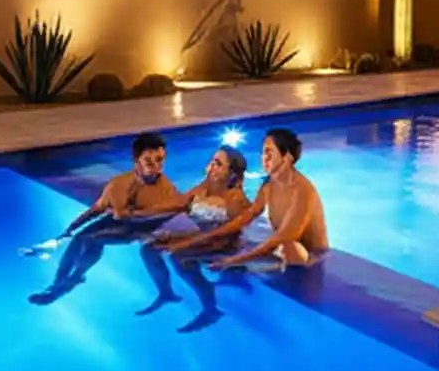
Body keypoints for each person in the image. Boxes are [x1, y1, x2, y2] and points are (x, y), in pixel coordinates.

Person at [28, 132, 181, 305]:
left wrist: (156, 231)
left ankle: (71, 279)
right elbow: (98, 209)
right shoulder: (120, 185)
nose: (156, 166)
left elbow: (175, 209)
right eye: (149, 161)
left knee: (89, 240)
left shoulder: (164, 185)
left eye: (160, 160)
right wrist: (70, 228)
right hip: (124, 222)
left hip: (137, 226)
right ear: (136, 161)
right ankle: (59, 282)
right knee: (79, 238)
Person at [163, 128, 328, 272]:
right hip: (281, 248)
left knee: (288, 248)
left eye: (269, 153)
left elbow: (284, 238)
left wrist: (235, 260)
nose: (264, 158)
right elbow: (246, 216)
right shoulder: (269, 185)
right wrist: (198, 240)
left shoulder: (302, 191)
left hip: (310, 256)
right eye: (263, 152)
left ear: (288, 157)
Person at [135, 146, 253, 332]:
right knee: (148, 249)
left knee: (180, 257)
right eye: (212, 161)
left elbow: (224, 237)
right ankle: (166, 293)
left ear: (231, 175)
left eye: (219, 164)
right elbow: (180, 203)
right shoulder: (205, 186)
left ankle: (210, 309)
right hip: (204, 237)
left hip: (225, 245)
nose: (211, 166)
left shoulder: (235, 200)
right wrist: (140, 213)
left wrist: (181, 242)